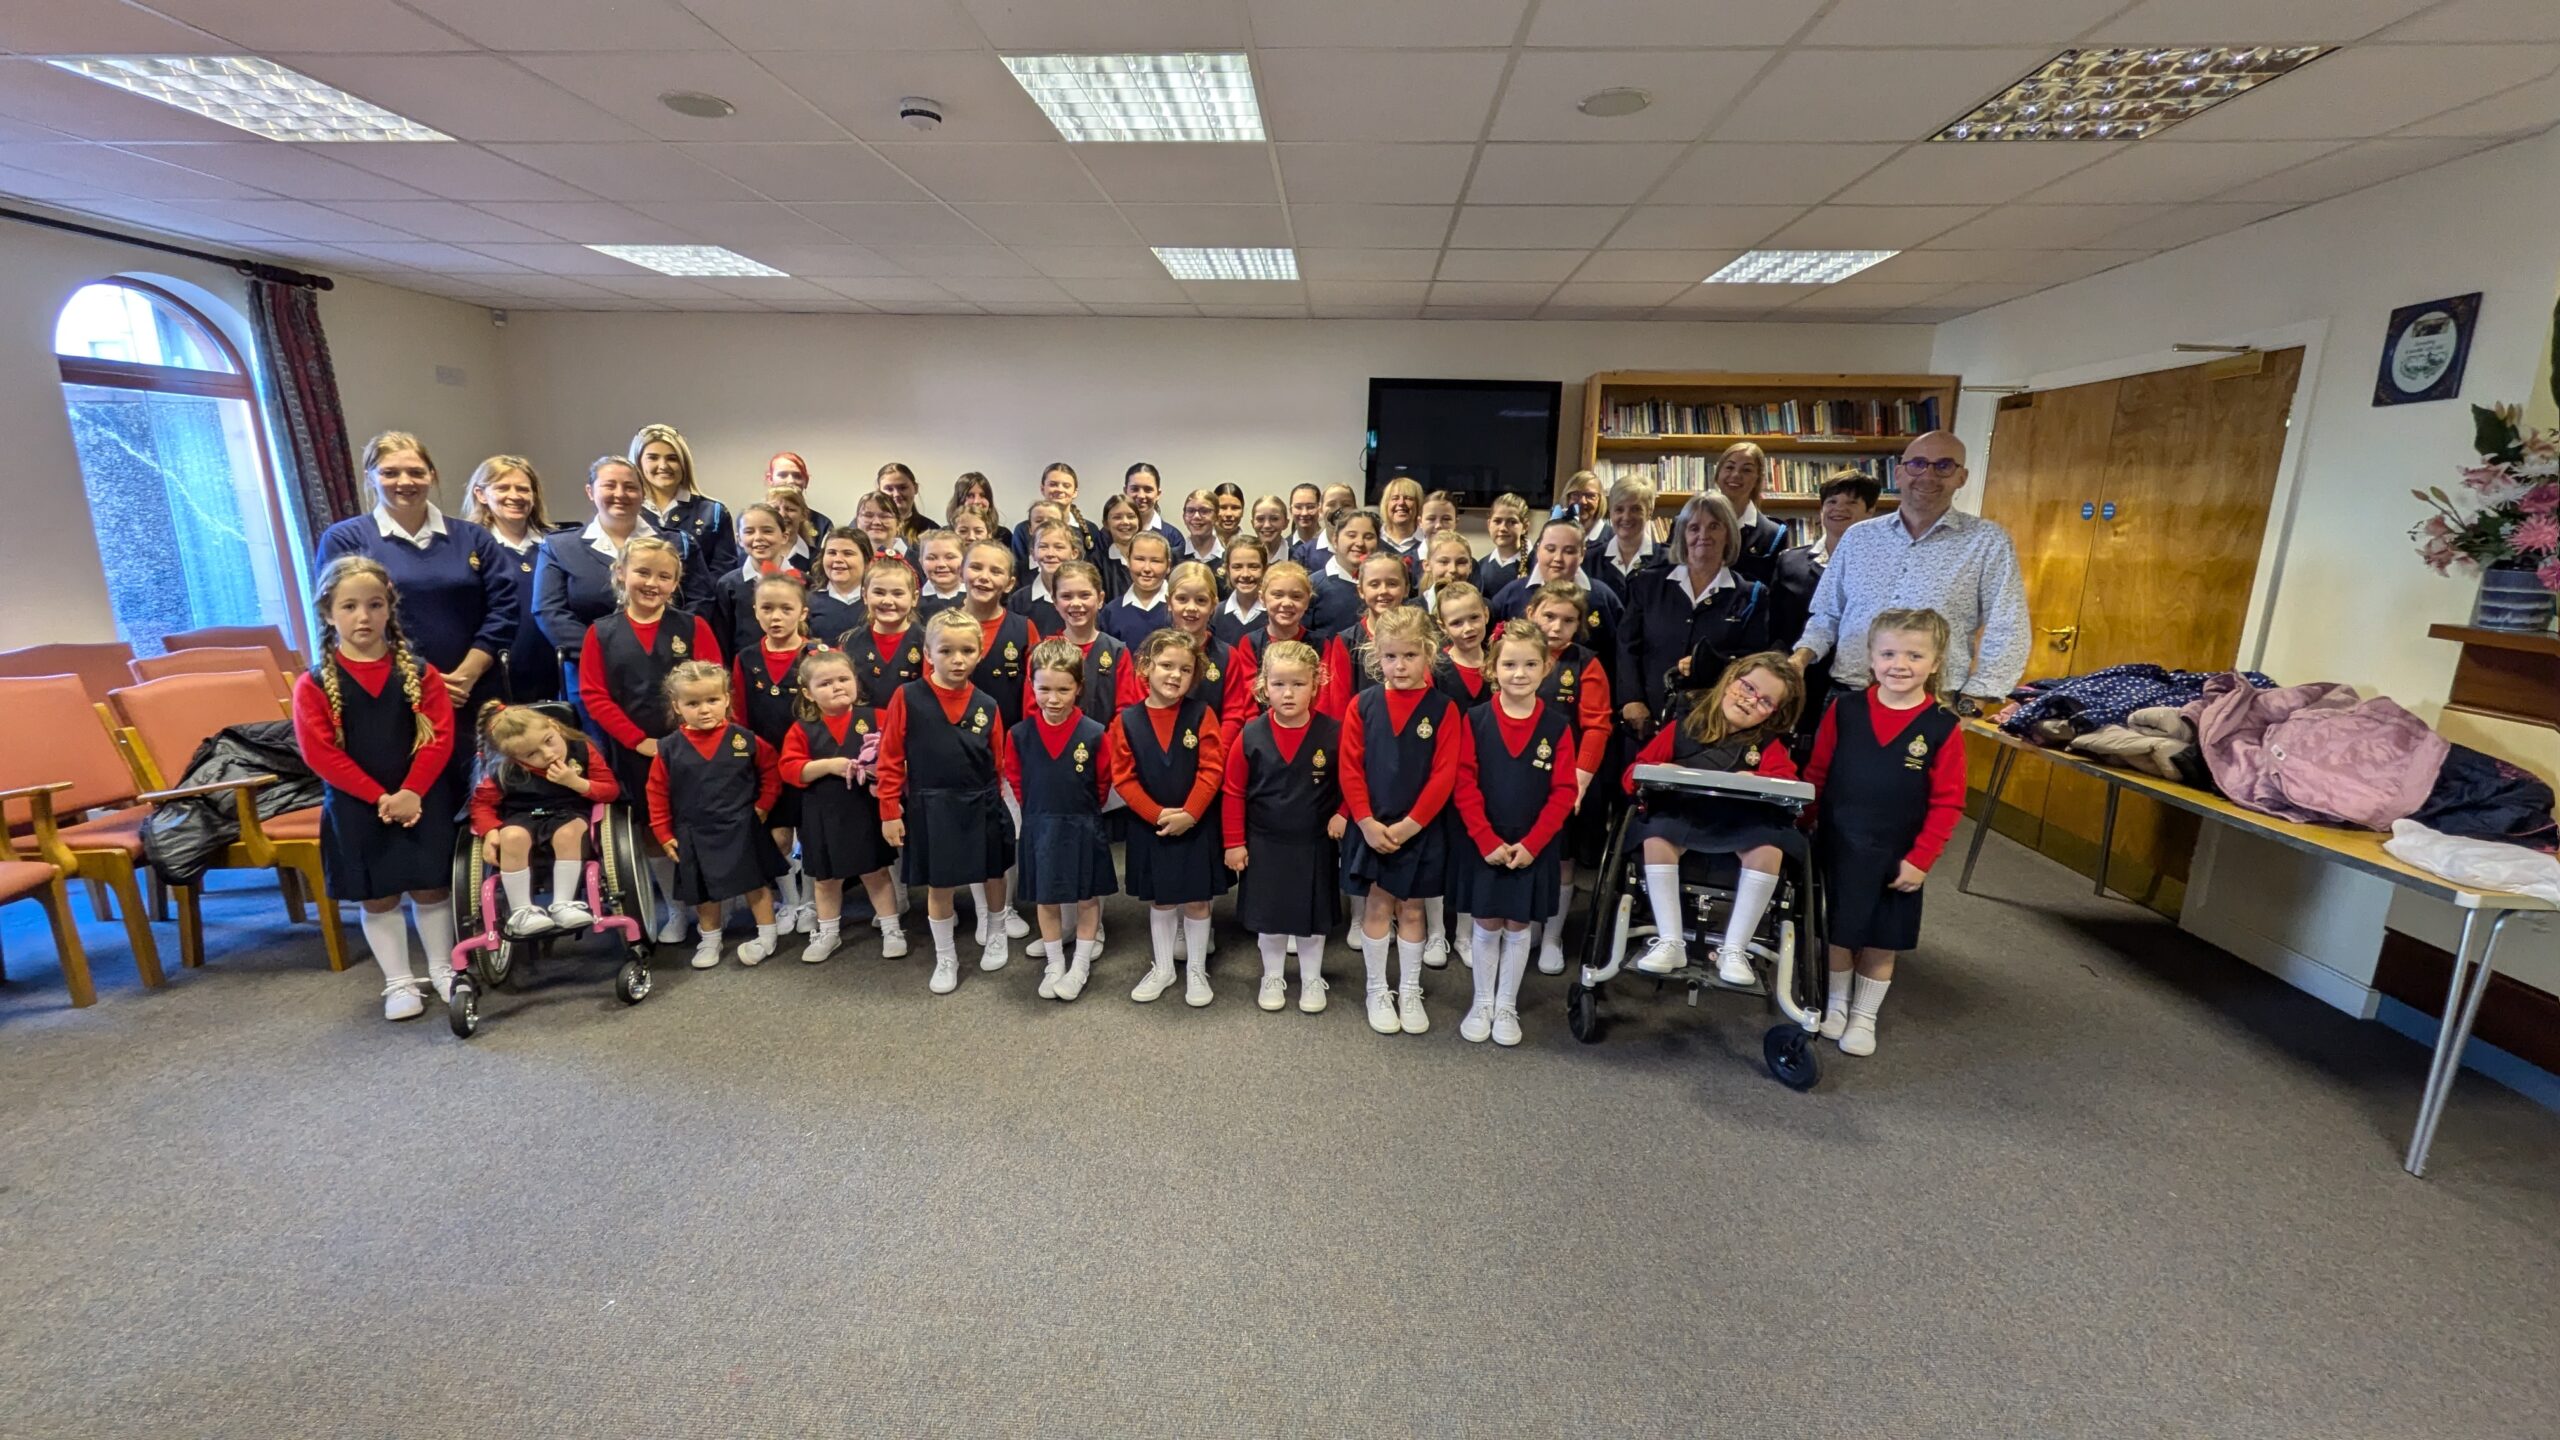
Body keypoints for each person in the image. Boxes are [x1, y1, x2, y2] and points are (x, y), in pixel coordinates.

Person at [292, 557, 459, 1021]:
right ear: (328, 614)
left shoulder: (421, 674)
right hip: (357, 806)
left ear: (390, 609)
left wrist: (410, 792)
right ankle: (398, 981)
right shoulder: (314, 684)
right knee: (378, 893)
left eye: (374, 604)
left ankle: (443, 968)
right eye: (348, 606)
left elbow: (440, 737)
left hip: (422, 799)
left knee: (430, 887)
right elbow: (321, 754)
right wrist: (381, 798)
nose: (362, 616)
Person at [1804, 608, 1965, 1058]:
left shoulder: (1942, 727)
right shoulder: (1845, 709)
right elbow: (1818, 772)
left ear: (1934, 664)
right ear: (1871, 658)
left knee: (1880, 938)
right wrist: (1803, 824)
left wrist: (1922, 859)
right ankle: (1836, 1005)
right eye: (1889, 653)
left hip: (1898, 855)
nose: (1900, 664)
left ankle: (1864, 1016)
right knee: (1837, 931)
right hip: (1838, 844)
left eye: (1915, 655)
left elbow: (1948, 802)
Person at [318, 433, 516, 797]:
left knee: (487, 799)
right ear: (370, 478)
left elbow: (505, 608)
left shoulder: (473, 538)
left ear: (432, 475)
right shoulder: (345, 539)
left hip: (474, 689)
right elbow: (349, 614)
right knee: (425, 799)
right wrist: (427, 679)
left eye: (415, 472)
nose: (404, 482)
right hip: (396, 693)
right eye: (390, 473)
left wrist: (467, 674)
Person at [1789, 432, 2030, 714]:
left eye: (1943, 466)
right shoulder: (1859, 537)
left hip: (1932, 703)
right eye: (1917, 463)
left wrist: (1974, 700)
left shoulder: (1987, 542)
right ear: (1899, 473)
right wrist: (1800, 659)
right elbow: (1827, 613)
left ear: (1961, 477)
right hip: (1849, 696)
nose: (1928, 475)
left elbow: (2009, 626)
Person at [1621, 652, 1806, 988]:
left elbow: (1789, 786)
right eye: (1748, 688)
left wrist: (1760, 778)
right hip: (1684, 813)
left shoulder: (1767, 745)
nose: (1751, 701)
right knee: (1657, 837)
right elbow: (1634, 774)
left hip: (1741, 821)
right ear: (1731, 679)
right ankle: (1670, 940)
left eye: (1765, 701)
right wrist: (1661, 771)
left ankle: (1734, 948)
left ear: (1774, 713)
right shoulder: (1683, 728)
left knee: (1769, 849)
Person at [577, 536, 723, 941]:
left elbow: (714, 683)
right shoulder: (601, 633)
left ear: (676, 583)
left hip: (697, 747)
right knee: (655, 832)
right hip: (636, 752)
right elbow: (594, 695)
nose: (652, 583)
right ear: (621, 573)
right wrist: (639, 741)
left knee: (701, 824)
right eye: (643, 572)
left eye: (664, 576)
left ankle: (711, 907)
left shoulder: (693, 627)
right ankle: (675, 911)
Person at [876, 609, 1018, 992]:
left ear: (980, 652)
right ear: (928, 652)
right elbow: (889, 759)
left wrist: (1002, 804)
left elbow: (998, 762)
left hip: (982, 800)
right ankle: (946, 956)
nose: (957, 659)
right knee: (939, 886)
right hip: (931, 804)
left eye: (967, 651)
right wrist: (890, 810)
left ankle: (998, 930)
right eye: (947, 651)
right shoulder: (907, 698)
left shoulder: (988, 704)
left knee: (993, 873)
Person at [1450, 619, 1577, 1047]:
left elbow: (1564, 792)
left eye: (1529, 664)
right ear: (1493, 668)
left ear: (1546, 670)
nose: (1519, 673)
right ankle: (1482, 1000)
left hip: (1532, 845)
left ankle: (1507, 1003)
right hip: (1485, 842)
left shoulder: (1558, 727)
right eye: (1509, 664)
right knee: (1486, 919)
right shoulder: (1475, 720)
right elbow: (1463, 783)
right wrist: (1485, 840)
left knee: (1518, 924)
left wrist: (1533, 844)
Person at [1338, 605, 1462, 1038]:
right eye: (1390, 656)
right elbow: (1350, 769)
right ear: (1377, 657)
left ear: (1428, 653)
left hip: (1420, 829)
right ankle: (1377, 988)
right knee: (1378, 905)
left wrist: (1411, 825)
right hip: (1371, 826)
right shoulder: (1362, 705)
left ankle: (1409, 989)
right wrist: (1368, 823)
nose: (1400, 665)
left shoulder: (1444, 709)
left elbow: (1444, 774)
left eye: (1410, 655)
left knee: (1413, 910)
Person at [1108, 627, 1229, 1008]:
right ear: (1145, 667)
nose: (1175, 675)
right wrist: (1158, 814)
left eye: (1185, 669)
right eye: (1166, 666)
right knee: (1160, 901)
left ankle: (1196, 968)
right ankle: (1163, 968)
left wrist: (1191, 813)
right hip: (1152, 827)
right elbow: (1122, 778)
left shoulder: (1201, 714)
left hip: (1197, 825)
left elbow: (1212, 769)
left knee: (1197, 900)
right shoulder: (1125, 721)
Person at [1223, 638, 1344, 1014]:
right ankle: (1272, 975)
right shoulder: (1250, 734)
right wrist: (1233, 842)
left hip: (1314, 842)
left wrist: (1344, 812)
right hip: (1264, 843)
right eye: (1278, 684)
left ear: (1316, 685)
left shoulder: (1333, 732)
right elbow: (1232, 791)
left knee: (1313, 919)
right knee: (1270, 918)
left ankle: (1311, 977)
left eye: (1298, 684)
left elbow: (1353, 781)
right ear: (1263, 686)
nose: (1288, 693)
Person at [533, 456, 709, 704]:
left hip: (669, 670)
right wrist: (608, 655)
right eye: (609, 485)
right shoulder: (559, 547)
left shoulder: (678, 543)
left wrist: (661, 652)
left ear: (642, 492)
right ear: (590, 492)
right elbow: (549, 610)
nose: (620, 494)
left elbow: (699, 601)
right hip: (593, 675)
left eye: (630, 486)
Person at [647, 660, 785, 971]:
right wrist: (663, 833)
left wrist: (763, 804)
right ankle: (709, 938)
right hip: (694, 830)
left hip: (742, 826)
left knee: (756, 884)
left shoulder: (744, 739)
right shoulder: (668, 749)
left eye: (712, 700)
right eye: (693, 703)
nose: (704, 709)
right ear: (677, 706)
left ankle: (767, 935)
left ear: (727, 699)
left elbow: (771, 769)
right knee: (704, 891)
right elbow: (656, 792)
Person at [1004, 639, 1116, 1003]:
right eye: (1044, 689)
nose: (1053, 699)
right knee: (1046, 899)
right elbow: (1017, 780)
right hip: (1039, 826)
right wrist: (1038, 813)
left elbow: (1102, 783)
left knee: (1086, 898)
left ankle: (1080, 962)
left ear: (1078, 688)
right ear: (1032, 687)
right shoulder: (1019, 735)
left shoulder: (1095, 734)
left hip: (1082, 824)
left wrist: (1080, 812)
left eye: (1063, 690)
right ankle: (1055, 963)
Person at [779, 649, 903, 964]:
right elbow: (791, 770)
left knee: (876, 873)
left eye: (843, 679)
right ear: (808, 692)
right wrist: (831, 765)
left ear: (855, 682)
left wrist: (880, 768)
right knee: (825, 879)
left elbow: (897, 755)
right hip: (822, 815)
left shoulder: (877, 717)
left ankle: (892, 928)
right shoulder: (802, 729)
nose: (837, 687)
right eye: (825, 683)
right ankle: (828, 932)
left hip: (864, 810)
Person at [1616, 491, 1773, 735]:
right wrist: (1631, 700)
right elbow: (1627, 647)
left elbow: (1751, 662)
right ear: (1682, 534)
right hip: (1645, 722)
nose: (1703, 535)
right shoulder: (1647, 583)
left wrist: (1710, 663)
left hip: (1714, 725)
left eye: (1714, 527)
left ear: (1729, 534)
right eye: (1694, 527)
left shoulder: (1751, 595)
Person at [1525, 581, 1614, 975]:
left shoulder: (1585, 664)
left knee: (1561, 858)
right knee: (1523, 851)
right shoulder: (1515, 654)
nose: (1556, 627)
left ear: (1579, 625)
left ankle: (1553, 936)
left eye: (1567, 620)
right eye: (1549, 616)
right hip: (1517, 773)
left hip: (1566, 779)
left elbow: (1596, 726)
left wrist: (1577, 781)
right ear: (1531, 614)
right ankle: (1526, 924)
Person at [729, 574, 823, 936]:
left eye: (786, 608)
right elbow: (738, 714)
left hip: (810, 763)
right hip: (766, 764)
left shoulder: (818, 654)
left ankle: (813, 902)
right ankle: (790, 901)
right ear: (755, 612)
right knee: (778, 837)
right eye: (767, 608)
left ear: (802, 612)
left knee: (812, 834)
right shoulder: (747, 658)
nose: (776, 617)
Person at [470, 701, 612, 938]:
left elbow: (610, 790)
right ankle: (522, 912)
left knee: (568, 832)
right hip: (522, 815)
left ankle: (564, 904)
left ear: (553, 724)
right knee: (511, 836)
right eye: (531, 754)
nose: (548, 754)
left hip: (569, 811)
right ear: (514, 757)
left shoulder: (582, 750)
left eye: (548, 741)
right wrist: (491, 832)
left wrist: (575, 782)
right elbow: (481, 804)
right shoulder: (503, 769)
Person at [1772, 470, 1883, 737]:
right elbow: (1775, 623)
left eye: (1851, 503)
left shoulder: (1882, 566)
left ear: (1870, 512)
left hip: (1853, 680)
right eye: (1832, 502)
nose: (1838, 509)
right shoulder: (1790, 561)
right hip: (1798, 674)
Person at [463, 454, 566, 703]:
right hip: (496, 675)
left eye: (523, 489)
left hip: (555, 669)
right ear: (480, 494)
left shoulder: (556, 545)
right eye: (502, 488)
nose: (515, 496)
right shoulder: (468, 547)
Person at [1488, 516, 1624, 673]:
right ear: (1538, 549)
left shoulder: (1602, 597)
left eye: (1569, 551)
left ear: (1582, 554)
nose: (1558, 559)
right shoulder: (1512, 594)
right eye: (1550, 549)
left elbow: (1621, 652)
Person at [631, 423, 740, 581]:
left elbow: (722, 575)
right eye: (653, 458)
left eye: (672, 458)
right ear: (638, 462)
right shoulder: (627, 512)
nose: (663, 466)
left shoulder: (713, 513)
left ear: (684, 463)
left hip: (699, 604)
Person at [1163, 561, 1259, 740]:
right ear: (1169, 602)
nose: (1191, 608)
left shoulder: (1227, 656)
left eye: (1201, 600)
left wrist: (1215, 756)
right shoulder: (1155, 652)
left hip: (1213, 757)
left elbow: (1233, 715)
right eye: (1182, 599)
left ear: (1213, 605)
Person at [1319, 552, 1414, 716]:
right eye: (1374, 584)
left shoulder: (1418, 637)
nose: (1383, 591)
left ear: (1406, 588)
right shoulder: (1347, 641)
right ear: (1361, 590)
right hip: (1361, 733)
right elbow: (1338, 704)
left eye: (1392, 583)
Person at [959, 540, 1040, 731]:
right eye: (976, 567)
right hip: (952, 740)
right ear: (960, 572)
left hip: (1008, 740)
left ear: (1010, 584)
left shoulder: (1024, 629)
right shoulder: (942, 626)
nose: (984, 577)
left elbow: (1035, 694)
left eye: (996, 572)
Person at [709, 502, 803, 662]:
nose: (758, 538)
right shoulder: (728, 585)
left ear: (784, 536)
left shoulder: (803, 581)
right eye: (749, 532)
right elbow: (722, 640)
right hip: (746, 673)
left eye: (767, 531)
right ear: (738, 539)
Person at [1047, 560, 1134, 723]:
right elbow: (1033, 711)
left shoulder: (1117, 652)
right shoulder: (1043, 652)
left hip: (1105, 745)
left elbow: (1125, 711)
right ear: (1055, 601)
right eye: (1066, 596)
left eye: (1084, 595)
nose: (1076, 603)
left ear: (1100, 599)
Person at [1708, 443, 1789, 582]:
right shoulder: (1687, 523)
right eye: (1729, 467)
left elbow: (1776, 591)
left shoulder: (1773, 534)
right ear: (1718, 473)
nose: (1735, 475)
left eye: (1746, 470)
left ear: (1758, 478)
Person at [851, 559, 926, 708]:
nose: (887, 601)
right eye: (879, 592)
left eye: (898, 594)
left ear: (914, 598)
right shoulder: (850, 642)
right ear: (865, 596)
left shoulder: (927, 642)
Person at [1307, 507, 1382, 641]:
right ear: (1335, 540)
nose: (1359, 543)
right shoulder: (1313, 585)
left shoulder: (1385, 586)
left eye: (1368, 537)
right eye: (1351, 535)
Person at [1012, 462, 1102, 570]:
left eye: (1066, 486)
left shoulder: (1090, 529)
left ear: (1075, 492)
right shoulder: (1023, 530)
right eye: (1053, 484)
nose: (1059, 489)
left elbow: (1094, 569)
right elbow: (1018, 570)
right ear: (1042, 488)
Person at [1584, 476, 1663, 598]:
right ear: (1610, 512)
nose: (1626, 517)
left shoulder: (1667, 562)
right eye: (1619, 509)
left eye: (1636, 509)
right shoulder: (1589, 560)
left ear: (1649, 512)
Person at [1101, 531, 1173, 648]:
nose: (1147, 568)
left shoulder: (1178, 609)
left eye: (1155, 561)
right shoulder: (1112, 612)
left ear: (1168, 565)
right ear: (1128, 561)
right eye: (1139, 559)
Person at [1009, 519, 1080, 637]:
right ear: (1033, 554)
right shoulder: (1019, 600)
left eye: (1059, 547)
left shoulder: (1085, 597)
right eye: (1043, 547)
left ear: (1074, 553)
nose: (1050, 554)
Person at [806, 528, 871, 648]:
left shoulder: (875, 602)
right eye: (832, 553)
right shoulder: (808, 602)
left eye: (848, 553)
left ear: (867, 561)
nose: (838, 559)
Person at [1214, 537, 1269, 646]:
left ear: (1265, 569)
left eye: (1253, 567)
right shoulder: (1216, 614)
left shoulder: (1273, 613)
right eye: (1237, 567)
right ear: (1227, 570)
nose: (1245, 574)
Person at [1476, 492, 1531, 597]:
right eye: (1497, 521)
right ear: (1488, 524)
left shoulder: (1535, 564)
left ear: (1525, 527)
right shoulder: (1480, 567)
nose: (1503, 528)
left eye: (1512, 522)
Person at [766, 451, 830, 539]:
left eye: (797, 476)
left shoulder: (822, 524)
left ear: (806, 481)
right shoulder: (751, 519)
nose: (791, 481)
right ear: (770, 479)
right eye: (783, 475)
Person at [1122, 463, 1183, 551]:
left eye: (1148, 490)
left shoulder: (1173, 537)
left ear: (1158, 494)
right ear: (1125, 491)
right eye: (1135, 489)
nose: (1141, 496)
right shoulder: (1108, 534)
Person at [912, 529, 968, 620]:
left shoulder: (975, 597)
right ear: (921, 562)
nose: (941, 564)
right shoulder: (914, 602)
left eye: (950, 557)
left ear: (964, 560)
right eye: (931, 558)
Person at [1095, 493, 1141, 599]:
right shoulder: (1097, 561)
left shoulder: (1151, 556)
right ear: (1106, 523)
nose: (1125, 522)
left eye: (1131, 516)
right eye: (1117, 517)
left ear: (1139, 520)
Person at [768, 485, 821, 575]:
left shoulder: (817, 558)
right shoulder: (756, 555)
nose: (782, 515)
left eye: (790, 509)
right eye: (776, 509)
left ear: (804, 515)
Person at [1376, 474, 1426, 567]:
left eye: (1408, 498)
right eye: (1395, 498)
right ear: (1386, 504)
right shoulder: (1374, 539)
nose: (1401, 503)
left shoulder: (1427, 542)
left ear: (1418, 504)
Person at [1419, 532, 1475, 614]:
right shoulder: (1413, 608)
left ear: (1470, 566)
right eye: (1444, 562)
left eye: (1461, 562)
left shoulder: (1483, 606)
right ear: (1427, 565)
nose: (1453, 569)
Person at [876, 462, 927, 542]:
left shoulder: (931, 530)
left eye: (903, 488)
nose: (896, 494)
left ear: (915, 488)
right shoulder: (864, 525)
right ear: (879, 492)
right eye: (889, 489)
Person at [1177, 487, 1225, 569]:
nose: (1196, 516)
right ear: (1184, 517)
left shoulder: (1227, 557)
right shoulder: (1173, 556)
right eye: (1190, 511)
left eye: (1204, 511)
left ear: (1217, 517)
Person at [854, 490, 908, 561]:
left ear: (899, 523)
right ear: (857, 521)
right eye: (868, 516)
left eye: (884, 516)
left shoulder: (918, 562)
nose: (876, 522)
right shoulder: (847, 560)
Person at [1286, 482, 1330, 570]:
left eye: (1310, 507)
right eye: (1298, 507)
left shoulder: (1331, 545)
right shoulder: (1284, 547)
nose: (1304, 513)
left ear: (1320, 509)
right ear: (1291, 510)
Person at [1212, 482, 1247, 549]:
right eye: (1222, 507)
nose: (1229, 514)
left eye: (1235, 508)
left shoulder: (1252, 547)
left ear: (1242, 511)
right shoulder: (1199, 544)